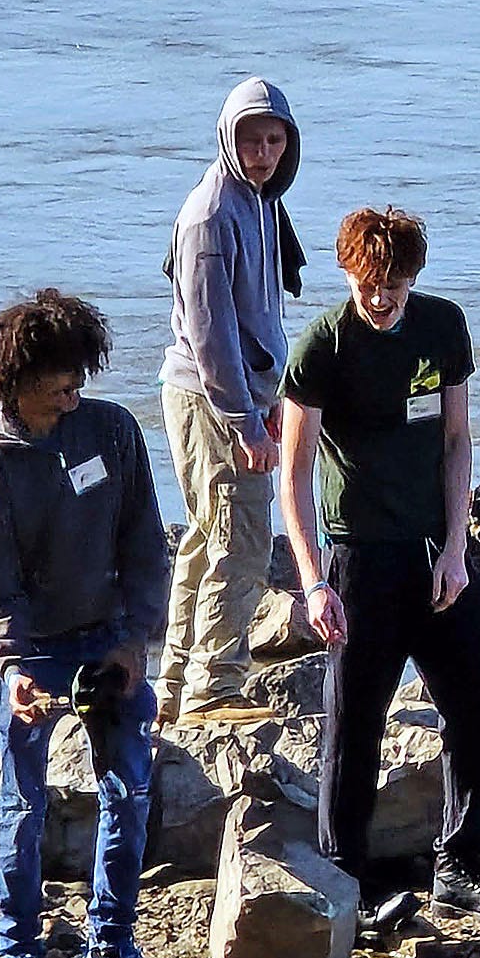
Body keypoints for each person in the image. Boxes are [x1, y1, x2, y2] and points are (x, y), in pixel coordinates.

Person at [278, 206, 480, 918]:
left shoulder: (442, 325)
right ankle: (345, 878)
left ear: (414, 278)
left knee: (479, 703)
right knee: (355, 723)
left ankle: (460, 865)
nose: (382, 299)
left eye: (397, 285)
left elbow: (456, 442)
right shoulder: (323, 345)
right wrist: (313, 579)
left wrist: (454, 548)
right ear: (349, 271)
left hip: (435, 552)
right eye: (371, 284)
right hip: (358, 556)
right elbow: (291, 478)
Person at [0, 288, 187, 958]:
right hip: (34, 653)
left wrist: (135, 640)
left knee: (130, 792)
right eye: (57, 384)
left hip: (107, 641)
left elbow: (144, 545)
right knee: (22, 805)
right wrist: (15, 668)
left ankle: (111, 953)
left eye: (76, 378)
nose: (71, 394)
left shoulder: (113, 432)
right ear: (14, 382)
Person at [157, 76, 303, 724]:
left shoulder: (263, 202)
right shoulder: (211, 213)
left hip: (241, 395)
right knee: (241, 538)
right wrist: (244, 419)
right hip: (209, 398)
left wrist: (272, 396)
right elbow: (210, 333)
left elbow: (261, 315)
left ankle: (169, 691)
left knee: (204, 537)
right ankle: (214, 689)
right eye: (251, 139)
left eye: (274, 140)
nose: (263, 152)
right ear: (226, 137)